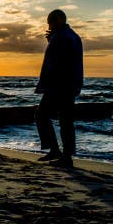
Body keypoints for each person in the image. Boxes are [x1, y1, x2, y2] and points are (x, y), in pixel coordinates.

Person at [34, 9, 83, 169]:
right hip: (68, 84)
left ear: (57, 21)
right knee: (64, 120)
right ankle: (61, 153)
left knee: (46, 116)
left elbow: (59, 61)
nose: (49, 26)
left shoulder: (62, 37)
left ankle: (63, 155)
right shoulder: (71, 36)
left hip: (60, 84)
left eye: (50, 23)